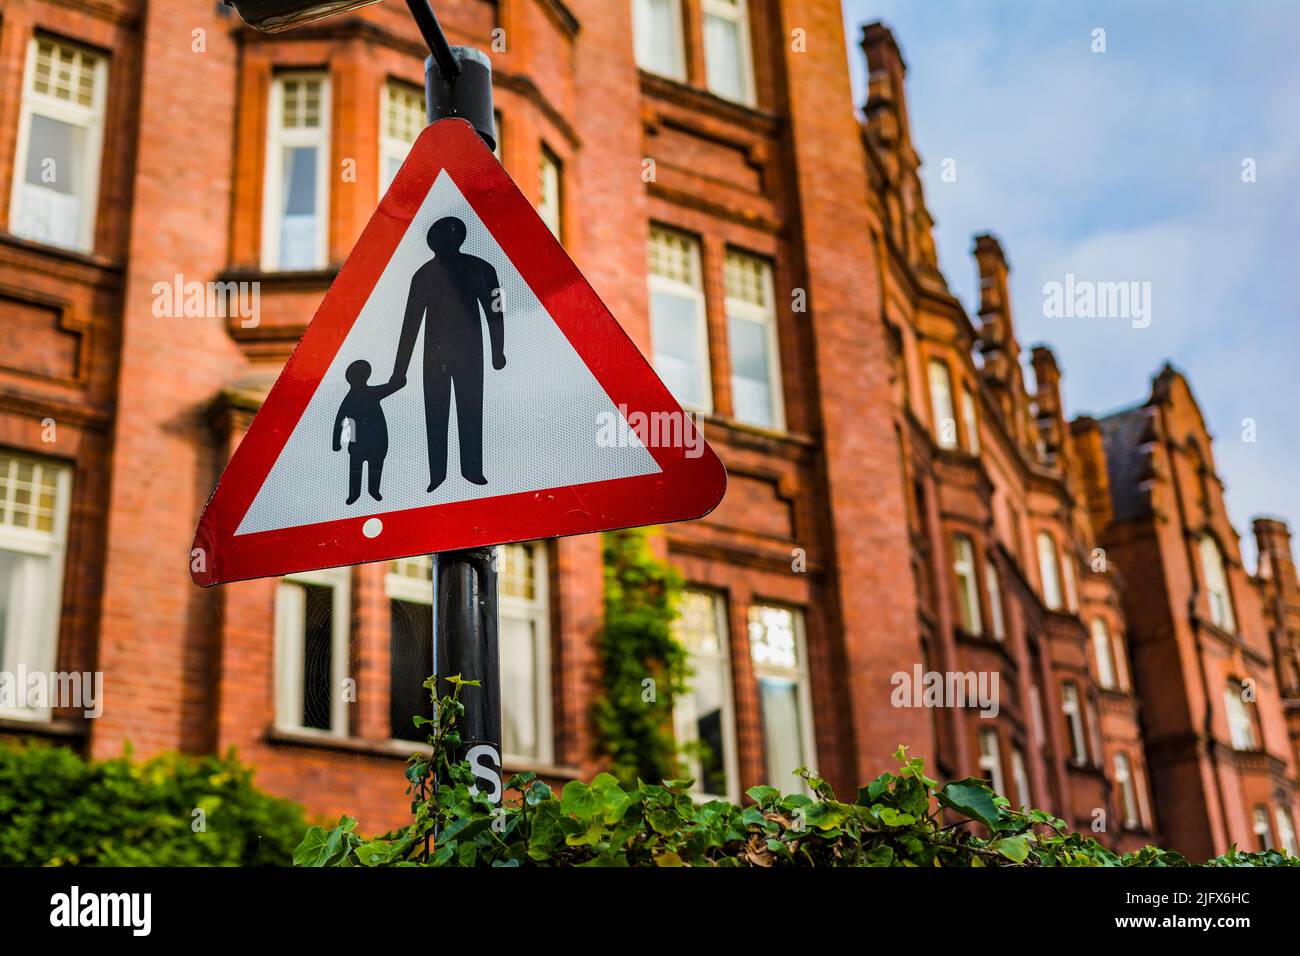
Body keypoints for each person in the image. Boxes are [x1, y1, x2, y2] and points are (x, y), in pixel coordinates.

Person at [390, 216, 506, 492]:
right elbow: (411, 323)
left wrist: (497, 352)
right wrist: (400, 370)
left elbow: (495, 314)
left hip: (467, 353)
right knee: (437, 413)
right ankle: (437, 475)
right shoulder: (424, 275)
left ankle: (472, 470)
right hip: (435, 356)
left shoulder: (481, 269)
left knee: (469, 411)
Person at [333, 359, 403, 505]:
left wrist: (398, 378)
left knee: (375, 468)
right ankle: (354, 494)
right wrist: (336, 443)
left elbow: (393, 386)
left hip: (377, 442)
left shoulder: (372, 393)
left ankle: (374, 491)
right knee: (356, 470)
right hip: (358, 443)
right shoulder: (350, 399)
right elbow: (340, 421)